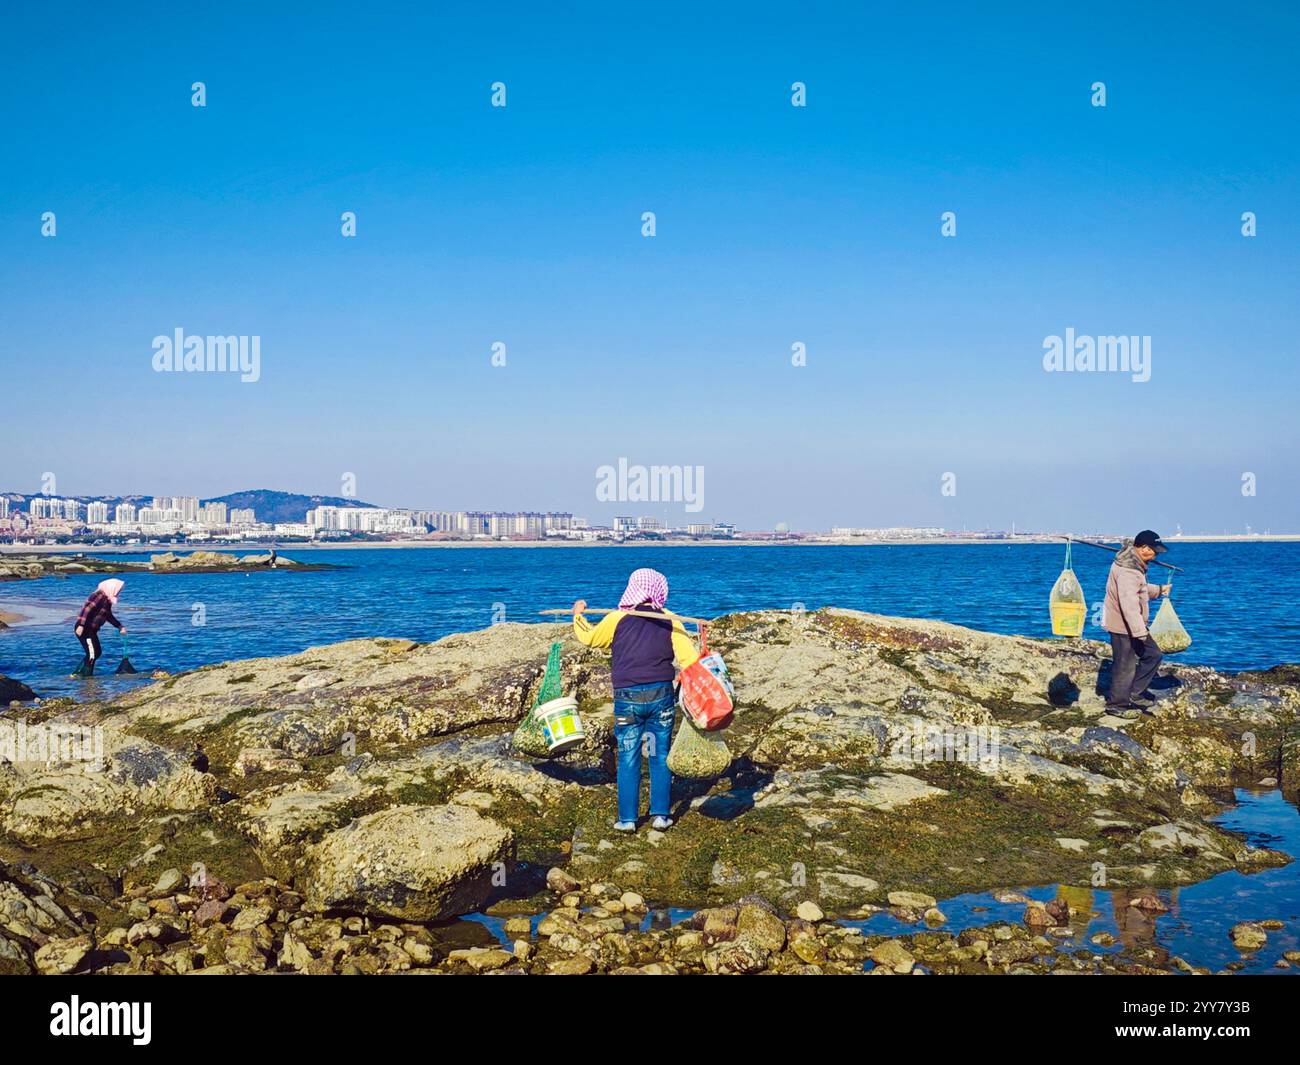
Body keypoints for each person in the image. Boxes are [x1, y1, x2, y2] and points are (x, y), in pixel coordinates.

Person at [572, 568, 699, 832]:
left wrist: (578, 615)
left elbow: (590, 638)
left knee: (628, 756)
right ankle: (661, 816)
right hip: (662, 696)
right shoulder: (670, 619)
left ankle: (628, 820)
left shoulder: (617, 618)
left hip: (627, 697)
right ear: (658, 590)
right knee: (660, 753)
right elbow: (689, 659)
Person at [1102, 530, 1172, 716]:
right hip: (1123, 625)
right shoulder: (1129, 570)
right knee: (1124, 665)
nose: (1156, 555)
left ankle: (1133, 692)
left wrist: (1158, 590)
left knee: (1153, 655)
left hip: (1132, 624)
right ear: (1143, 548)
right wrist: (1140, 632)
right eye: (1154, 551)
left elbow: (1138, 590)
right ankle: (1116, 705)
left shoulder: (1134, 565)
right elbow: (1129, 604)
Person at [73, 578, 126, 677]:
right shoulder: (99, 596)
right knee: (92, 654)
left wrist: (119, 626)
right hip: (85, 629)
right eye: (118, 590)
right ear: (112, 588)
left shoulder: (107, 600)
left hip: (91, 630)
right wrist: (81, 625)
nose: (119, 592)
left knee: (97, 652)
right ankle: (87, 679)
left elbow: (108, 615)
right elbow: (87, 609)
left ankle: (79, 672)